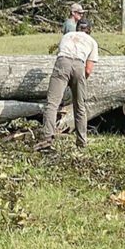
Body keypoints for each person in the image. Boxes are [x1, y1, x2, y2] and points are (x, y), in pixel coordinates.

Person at [36, 19, 99, 151]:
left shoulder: (66, 36)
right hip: (79, 66)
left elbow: (61, 55)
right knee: (80, 106)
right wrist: (78, 82)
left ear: (77, 28)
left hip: (62, 62)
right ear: (89, 30)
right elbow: (88, 70)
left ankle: (47, 138)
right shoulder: (92, 42)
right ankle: (82, 141)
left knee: (52, 104)